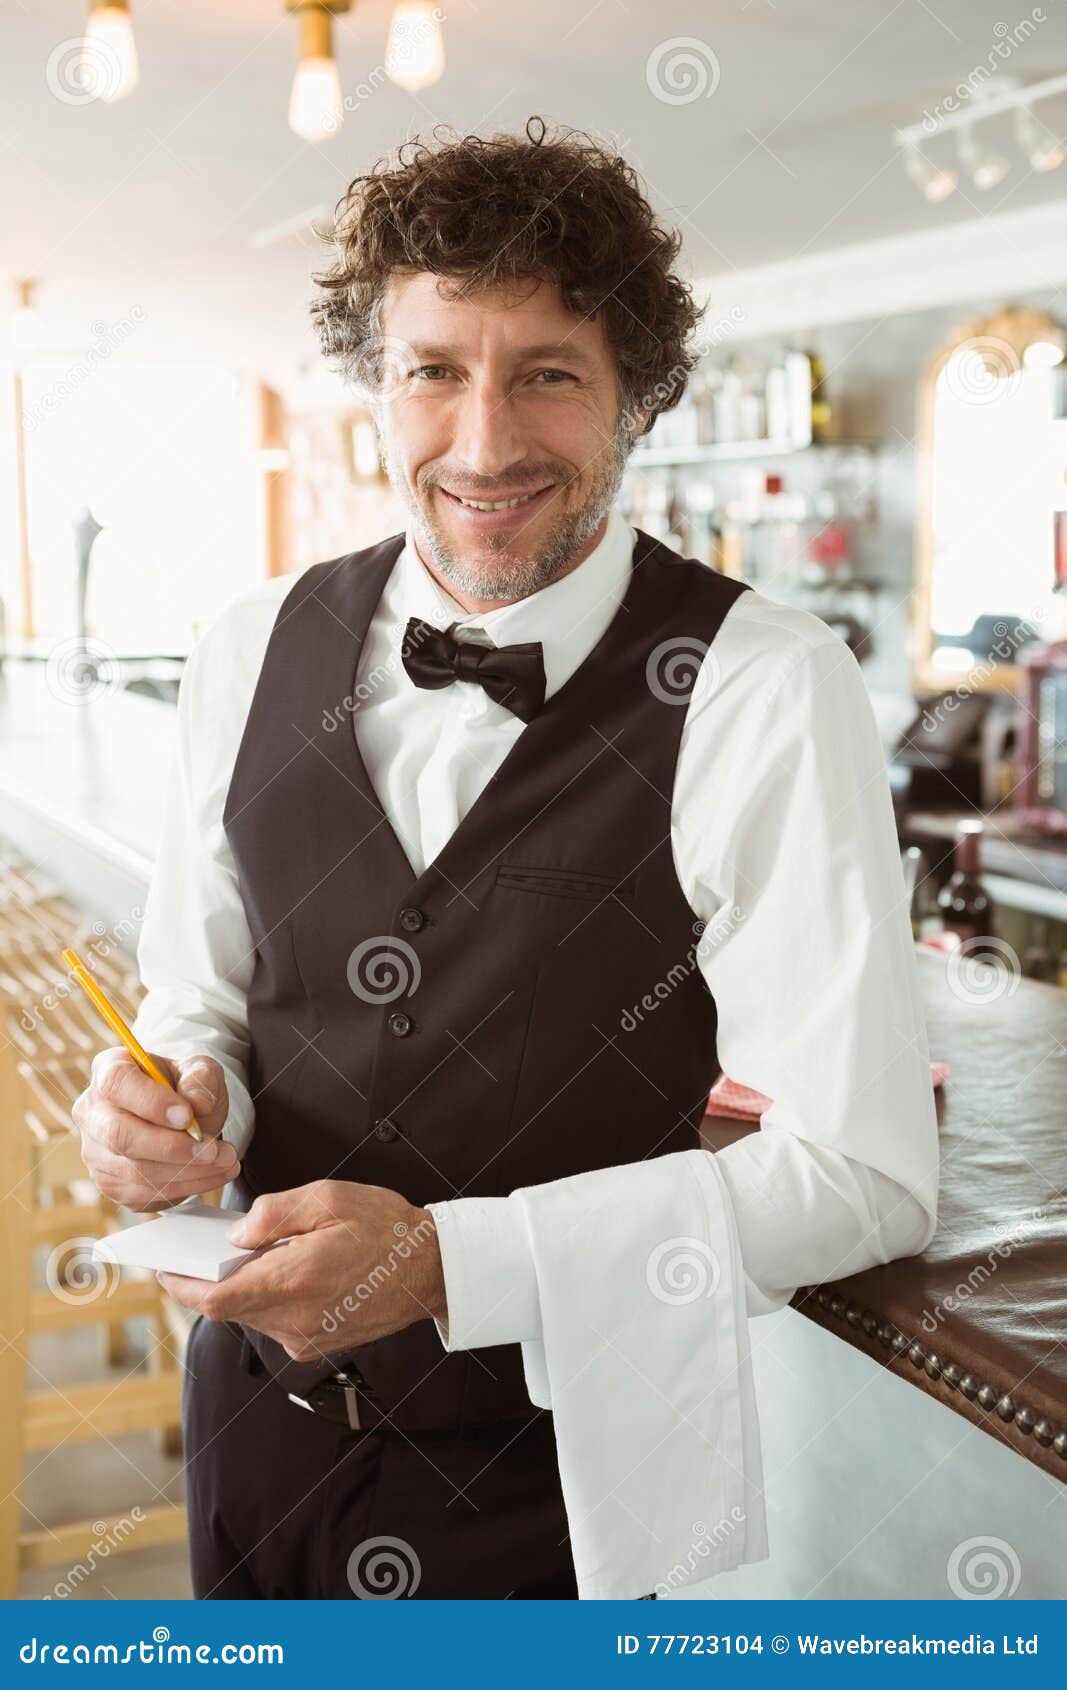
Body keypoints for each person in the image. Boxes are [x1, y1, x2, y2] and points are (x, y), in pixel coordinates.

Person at [73, 119, 939, 1600]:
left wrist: (454, 1262)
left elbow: (863, 1173)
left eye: (547, 371)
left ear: (637, 399)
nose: (482, 445)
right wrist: (162, 1094)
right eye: (434, 370)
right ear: (376, 385)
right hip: (247, 1435)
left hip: (556, 1494)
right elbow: (194, 997)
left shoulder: (763, 686)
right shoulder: (245, 645)